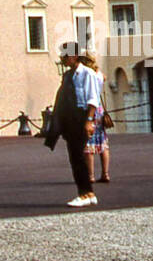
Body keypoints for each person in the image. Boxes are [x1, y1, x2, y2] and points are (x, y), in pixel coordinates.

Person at [45, 43, 101, 208]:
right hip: (71, 118)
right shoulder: (69, 75)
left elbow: (92, 99)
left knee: (77, 156)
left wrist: (89, 121)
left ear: (74, 56)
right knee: (76, 155)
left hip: (81, 117)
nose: (63, 59)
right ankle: (87, 192)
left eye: (66, 56)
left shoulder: (87, 74)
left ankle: (84, 192)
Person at [82, 53, 110, 184]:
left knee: (89, 145)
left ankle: (90, 175)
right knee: (102, 144)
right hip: (100, 110)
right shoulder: (98, 73)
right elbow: (104, 77)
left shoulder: (88, 74)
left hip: (91, 110)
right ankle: (105, 173)